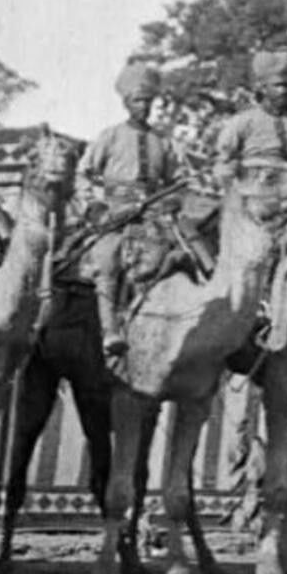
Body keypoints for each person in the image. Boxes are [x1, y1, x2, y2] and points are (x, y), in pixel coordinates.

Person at [81, 62, 177, 356]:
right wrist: (93, 205)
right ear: (126, 103)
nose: (143, 107)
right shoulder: (110, 136)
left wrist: (172, 200)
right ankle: (110, 331)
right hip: (115, 213)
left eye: (148, 101)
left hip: (154, 215)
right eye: (138, 101)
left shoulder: (163, 141)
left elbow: (175, 179)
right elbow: (84, 173)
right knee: (106, 260)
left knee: (181, 256)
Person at [212, 50, 287, 184]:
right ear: (263, 88)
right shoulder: (243, 120)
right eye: (277, 85)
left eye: (286, 86)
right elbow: (223, 159)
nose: (283, 90)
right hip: (251, 187)